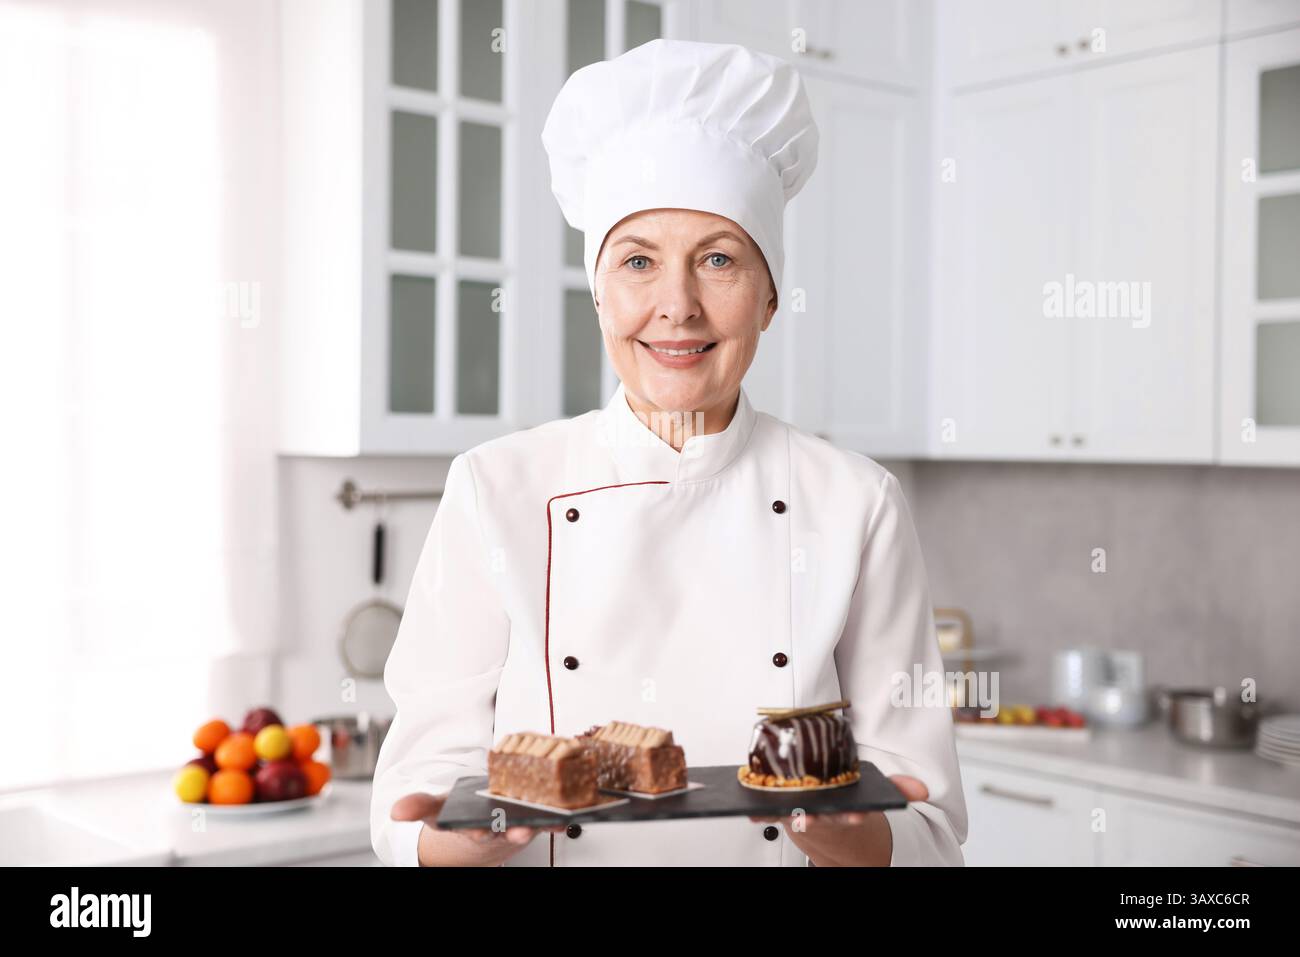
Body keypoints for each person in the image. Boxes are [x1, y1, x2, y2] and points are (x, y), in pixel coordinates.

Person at [370, 38, 967, 866]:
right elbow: (414, 795)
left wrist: (863, 833)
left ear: (768, 296)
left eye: (718, 260)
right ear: (600, 292)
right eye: (639, 261)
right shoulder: (494, 488)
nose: (676, 306)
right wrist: (454, 840)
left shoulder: (855, 502)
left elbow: (930, 825)